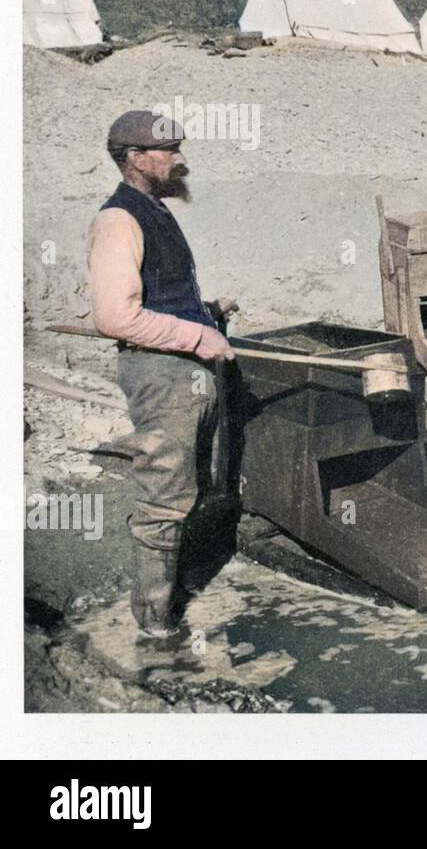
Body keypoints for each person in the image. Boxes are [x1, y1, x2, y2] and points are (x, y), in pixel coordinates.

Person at [87, 110, 236, 637]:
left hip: (185, 370)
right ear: (134, 159)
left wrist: (207, 311)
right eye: (167, 151)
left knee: (192, 484)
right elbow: (115, 316)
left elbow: (158, 295)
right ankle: (155, 624)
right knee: (164, 499)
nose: (178, 159)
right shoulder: (118, 219)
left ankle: (178, 587)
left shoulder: (153, 208)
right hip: (161, 374)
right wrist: (198, 335)